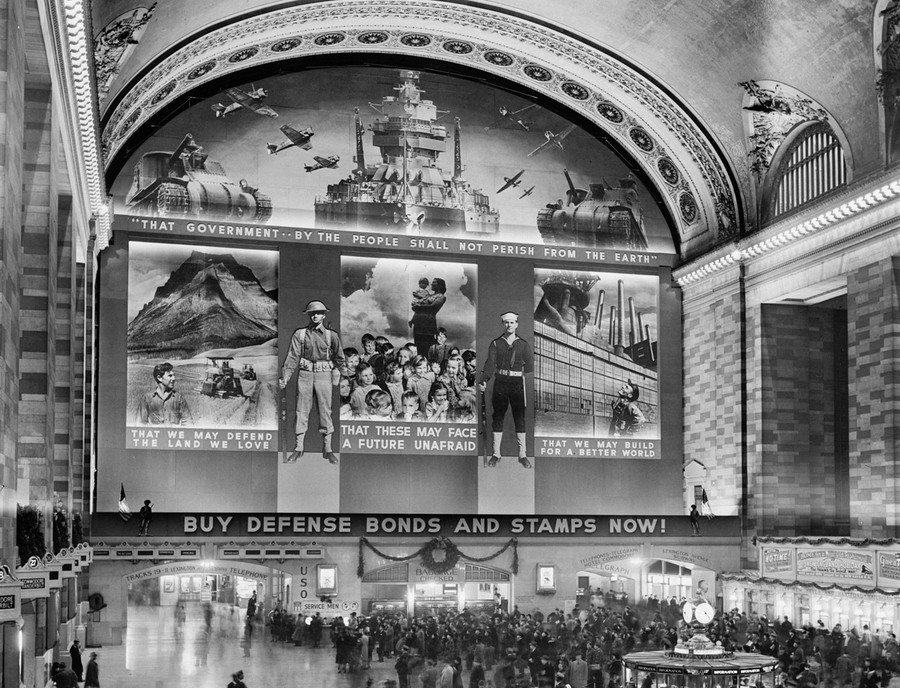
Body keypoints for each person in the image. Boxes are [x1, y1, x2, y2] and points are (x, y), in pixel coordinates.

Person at [279, 300, 345, 464]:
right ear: (309, 315)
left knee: (325, 411)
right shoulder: (300, 334)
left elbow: (340, 359)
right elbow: (292, 358)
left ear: (324, 315)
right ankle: (298, 448)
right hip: (305, 374)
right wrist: (285, 377)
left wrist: (338, 373)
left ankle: (328, 449)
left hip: (324, 375)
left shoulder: (332, 336)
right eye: (312, 313)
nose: (315, 316)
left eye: (319, 313)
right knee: (301, 410)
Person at [480, 311, 534, 468]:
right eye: (506, 323)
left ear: (516, 324)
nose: (509, 325)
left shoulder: (523, 345)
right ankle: (496, 454)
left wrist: (520, 370)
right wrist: (484, 380)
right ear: (503, 324)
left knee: (519, 418)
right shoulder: (496, 344)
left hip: (517, 383)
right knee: (498, 417)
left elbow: (530, 365)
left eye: (512, 322)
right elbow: (490, 364)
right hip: (501, 383)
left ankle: (522, 455)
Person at [138, 361, 192, 426]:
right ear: (159, 378)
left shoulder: (179, 398)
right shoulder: (146, 398)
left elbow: (188, 423)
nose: (174, 378)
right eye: (170, 376)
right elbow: (141, 424)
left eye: (174, 375)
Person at [411, 278, 447, 356]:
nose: (431, 284)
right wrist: (412, 319)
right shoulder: (428, 295)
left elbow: (432, 307)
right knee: (418, 347)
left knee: (427, 349)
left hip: (428, 325)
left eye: (434, 282)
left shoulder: (441, 297)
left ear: (439, 285)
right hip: (418, 324)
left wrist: (418, 308)